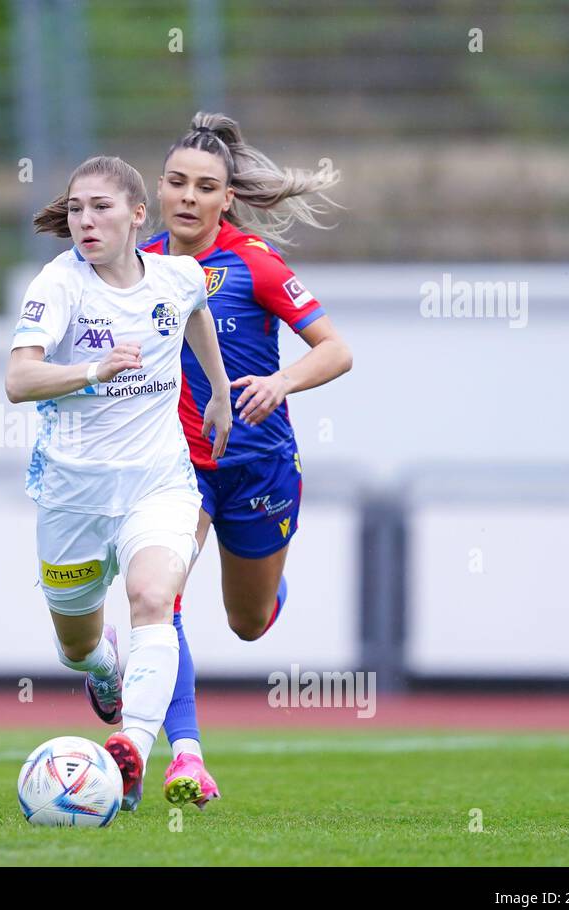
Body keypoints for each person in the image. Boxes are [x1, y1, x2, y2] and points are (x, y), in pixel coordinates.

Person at [138, 112, 354, 808]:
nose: (189, 197)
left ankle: (267, 587)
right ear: (160, 189)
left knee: (247, 622)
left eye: (205, 187)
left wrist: (280, 381)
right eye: (177, 183)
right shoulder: (134, 266)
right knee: (156, 599)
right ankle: (186, 758)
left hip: (258, 465)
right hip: (177, 468)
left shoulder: (253, 262)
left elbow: (335, 349)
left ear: (226, 198)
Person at [5, 155, 233, 811]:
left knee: (154, 597)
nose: (84, 221)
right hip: (73, 496)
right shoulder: (59, 285)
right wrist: (92, 371)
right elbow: (19, 380)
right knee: (76, 646)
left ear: (139, 215)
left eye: (100, 207)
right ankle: (103, 670)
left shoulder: (178, 274)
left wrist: (217, 390)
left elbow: (193, 312)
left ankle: (129, 749)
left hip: (158, 484)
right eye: (76, 209)